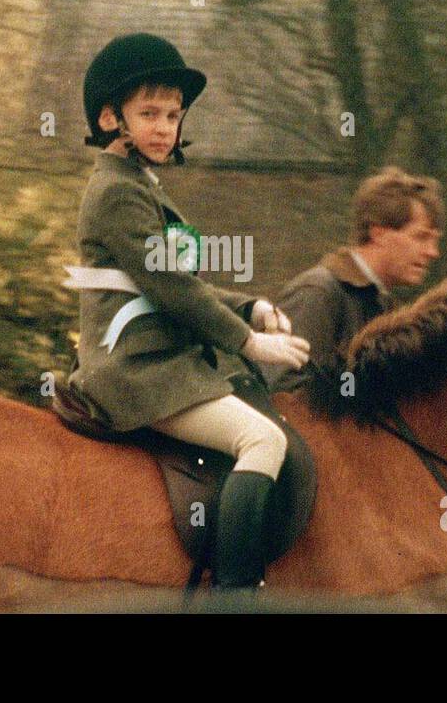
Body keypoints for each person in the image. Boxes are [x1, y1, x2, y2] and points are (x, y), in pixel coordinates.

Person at [64, 33, 311, 591]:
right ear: (110, 118)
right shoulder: (117, 193)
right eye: (148, 113)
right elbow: (171, 286)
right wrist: (248, 342)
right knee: (264, 441)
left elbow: (177, 282)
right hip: (138, 371)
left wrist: (252, 306)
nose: (163, 127)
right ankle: (235, 595)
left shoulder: (137, 186)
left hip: (159, 361)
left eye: (172, 115)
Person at [262, 166, 444, 392]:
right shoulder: (319, 293)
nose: (433, 252)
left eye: (435, 240)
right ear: (379, 233)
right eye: (421, 237)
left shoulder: (382, 303)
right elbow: (281, 391)